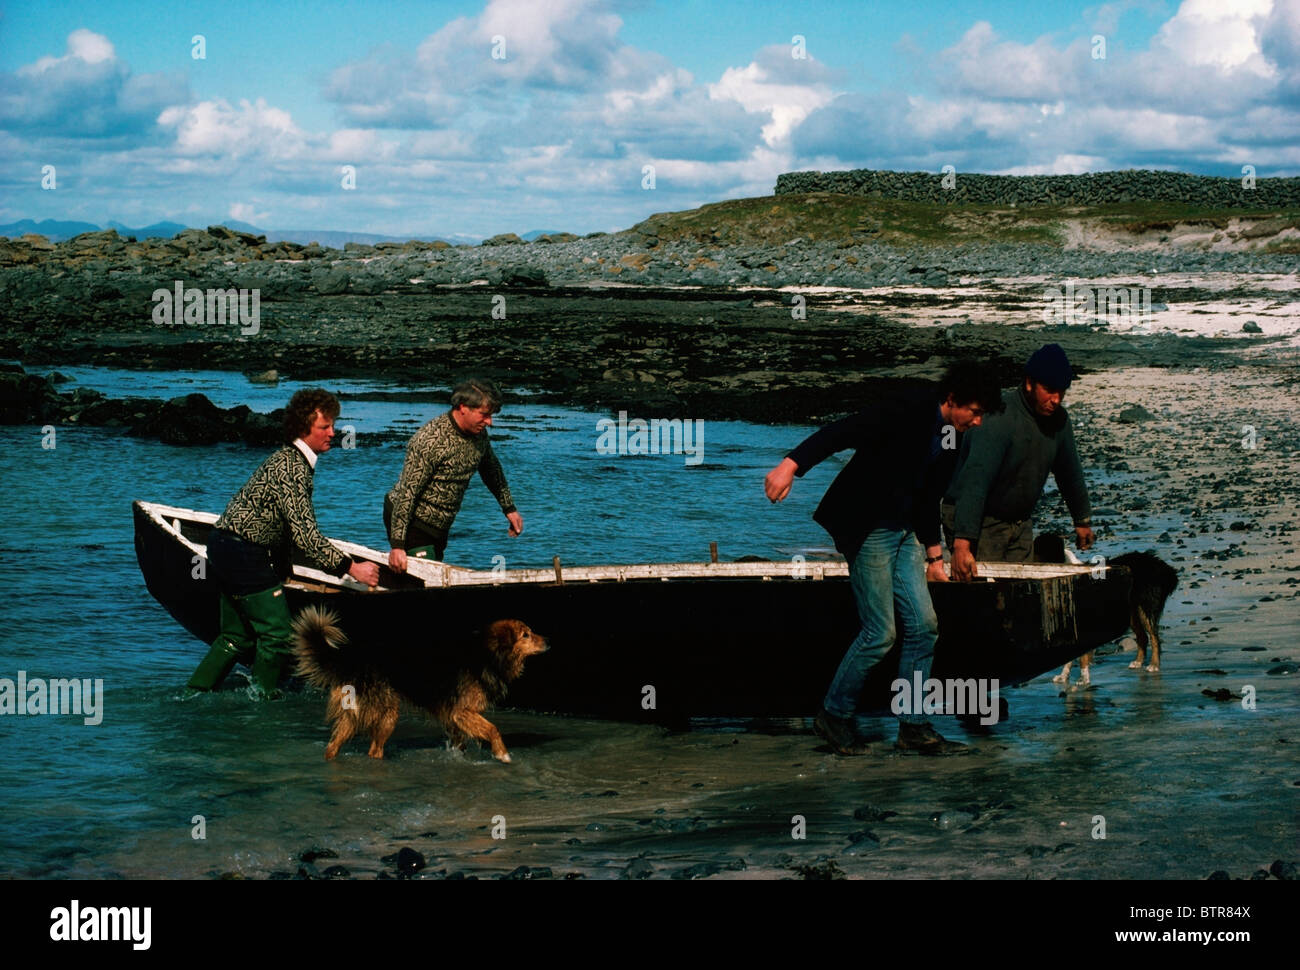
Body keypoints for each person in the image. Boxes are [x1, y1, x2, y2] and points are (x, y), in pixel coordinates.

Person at [764, 361, 1003, 755]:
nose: (977, 422)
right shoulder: (906, 409)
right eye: (975, 412)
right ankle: (833, 716)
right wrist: (790, 466)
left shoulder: (950, 436)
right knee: (881, 633)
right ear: (953, 399)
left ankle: (913, 726)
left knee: (924, 627)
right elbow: (842, 432)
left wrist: (934, 556)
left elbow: (929, 495)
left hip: (906, 532)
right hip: (868, 525)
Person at [188, 389, 380, 696]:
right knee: (277, 636)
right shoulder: (293, 468)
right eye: (325, 427)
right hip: (243, 551)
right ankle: (261, 708)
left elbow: (283, 525)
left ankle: (192, 696)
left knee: (236, 636)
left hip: (222, 544)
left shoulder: (288, 458)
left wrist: (283, 566)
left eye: (333, 425)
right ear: (304, 429)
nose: (333, 432)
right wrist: (351, 568)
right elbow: (306, 535)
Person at [943, 344, 1094, 583]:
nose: (1055, 400)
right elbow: (975, 482)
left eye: (1061, 392)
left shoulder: (1060, 423)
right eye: (1049, 390)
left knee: (1022, 596)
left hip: (1020, 523)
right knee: (984, 597)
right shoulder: (999, 418)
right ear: (1029, 383)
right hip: (979, 522)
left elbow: (1070, 472)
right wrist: (962, 544)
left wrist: (1082, 521)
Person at [385, 378, 523, 571]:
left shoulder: (478, 434)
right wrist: (397, 545)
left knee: (432, 575)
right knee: (425, 580)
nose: (489, 422)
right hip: (413, 521)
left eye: (491, 416)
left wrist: (509, 508)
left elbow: (491, 468)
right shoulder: (430, 441)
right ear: (463, 407)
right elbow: (407, 493)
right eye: (484, 415)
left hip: (440, 526)